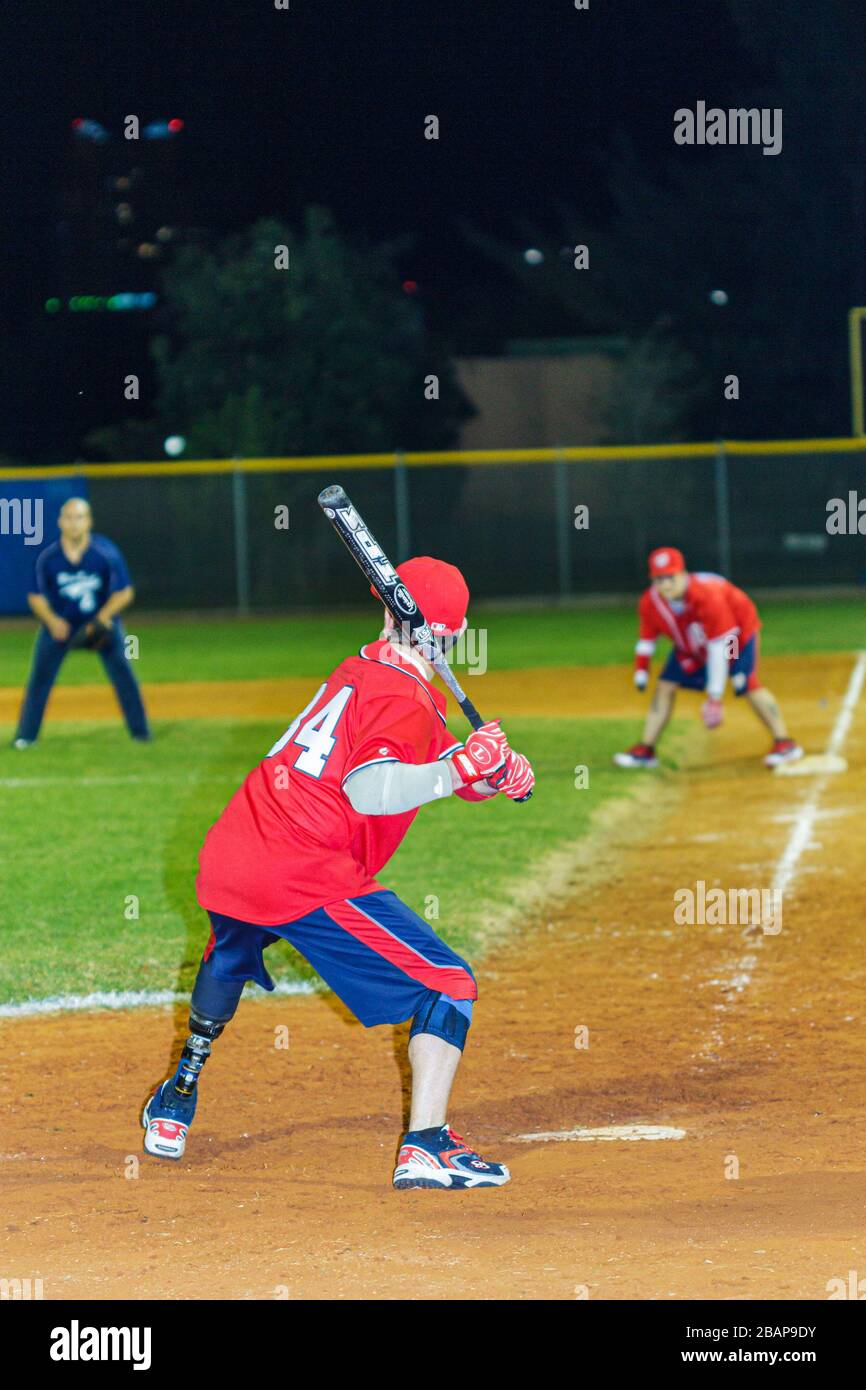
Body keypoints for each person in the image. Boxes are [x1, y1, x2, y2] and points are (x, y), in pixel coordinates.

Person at [141, 556, 535, 1190]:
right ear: (456, 634)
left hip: (233, 852)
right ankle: (428, 1146)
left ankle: (179, 1094)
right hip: (302, 872)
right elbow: (372, 788)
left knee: (229, 955)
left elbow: (422, 760)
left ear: (385, 608)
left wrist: (486, 776)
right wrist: (462, 769)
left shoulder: (363, 670)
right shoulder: (408, 696)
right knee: (450, 985)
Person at [614, 546, 802, 770]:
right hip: (692, 640)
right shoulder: (651, 602)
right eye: (659, 579)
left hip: (735, 637)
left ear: (683, 574)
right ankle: (646, 750)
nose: (665, 585)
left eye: (670, 577)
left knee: (746, 682)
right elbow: (647, 637)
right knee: (665, 686)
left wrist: (715, 697)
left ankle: (784, 743)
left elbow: (718, 648)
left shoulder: (707, 595)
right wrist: (641, 670)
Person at [13, 497, 150, 747]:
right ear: (60, 522)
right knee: (39, 679)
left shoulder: (105, 553)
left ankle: (141, 734)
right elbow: (35, 597)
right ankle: (26, 737)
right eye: (69, 517)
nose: (74, 523)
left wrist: (102, 618)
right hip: (60, 627)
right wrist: (52, 621)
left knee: (124, 675)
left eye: (79, 517)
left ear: (89, 521)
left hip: (101, 626)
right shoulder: (48, 556)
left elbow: (124, 592)